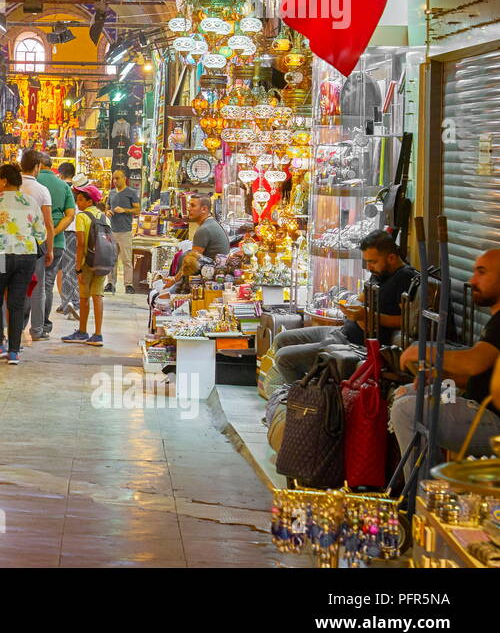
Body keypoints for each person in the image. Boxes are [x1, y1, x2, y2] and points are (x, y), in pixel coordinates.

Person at [264, 231, 416, 396]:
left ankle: (306, 403)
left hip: (354, 343)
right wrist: (355, 309)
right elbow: (360, 298)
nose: (369, 267)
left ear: (392, 258)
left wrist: (369, 317)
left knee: (283, 358)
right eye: (367, 262)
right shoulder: (380, 273)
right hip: (342, 331)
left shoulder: (405, 278)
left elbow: (407, 322)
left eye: (373, 261)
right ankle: (295, 394)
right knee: (281, 339)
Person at [392, 249, 500, 458]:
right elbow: (478, 376)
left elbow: (474, 362)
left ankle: (424, 490)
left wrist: (424, 351)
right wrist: (442, 377)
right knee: (405, 393)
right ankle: (429, 477)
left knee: (407, 410)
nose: (472, 280)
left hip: (490, 419)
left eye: (482, 272)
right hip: (471, 401)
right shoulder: (495, 320)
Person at [0, 165, 45, 365]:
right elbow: (40, 233)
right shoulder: (30, 202)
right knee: (16, 303)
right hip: (26, 257)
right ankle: (14, 351)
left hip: (0, 256)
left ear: (4, 180)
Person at [15, 150, 55, 343]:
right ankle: (37, 330)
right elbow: (48, 223)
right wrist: (50, 248)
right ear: (37, 166)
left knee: (15, 287)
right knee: (38, 288)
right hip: (34, 245)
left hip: (11, 244)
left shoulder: (12, 187)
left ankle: (14, 327)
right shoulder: (41, 190)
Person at [63, 184, 109, 346]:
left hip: (87, 263)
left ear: (90, 201)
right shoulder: (104, 217)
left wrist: (78, 267)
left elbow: (80, 243)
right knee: (98, 296)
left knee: (84, 297)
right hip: (103, 261)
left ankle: (82, 331)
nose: (78, 202)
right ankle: (98, 334)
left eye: (81, 199)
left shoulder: (82, 217)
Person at [34, 152, 72, 340]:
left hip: (30, 241)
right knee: (47, 284)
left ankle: (26, 323)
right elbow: (70, 214)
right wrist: (55, 232)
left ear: (38, 165)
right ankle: (42, 325)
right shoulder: (63, 185)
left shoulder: (31, 182)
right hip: (56, 242)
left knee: (28, 282)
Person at [105, 169, 140, 293]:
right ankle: (110, 283)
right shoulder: (112, 193)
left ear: (124, 178)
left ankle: (128, 284)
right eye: (113, 178)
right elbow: (107, 207)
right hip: (113, 230)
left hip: (125, 231)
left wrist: (125, 210)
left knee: (126, 260)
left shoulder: (131, 192)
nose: (115, 181)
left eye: (117, 178)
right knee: (111, 259)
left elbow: (137, 210)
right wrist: (107, 212)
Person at [55, 161, 79, 316]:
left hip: (65, 230)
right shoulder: (79, 188)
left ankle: (68, 302)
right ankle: (71, 302)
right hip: (78, 230)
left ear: (61, 174)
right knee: (73, 268)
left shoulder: (60, 188)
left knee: (63, 269)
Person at [186, 192, 229, 261]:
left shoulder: (204, 229)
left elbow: (191, 263)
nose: (188, 209)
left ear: (204, 209)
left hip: (213, 271)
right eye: (189, 205)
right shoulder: (211, 223)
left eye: (193, 205)